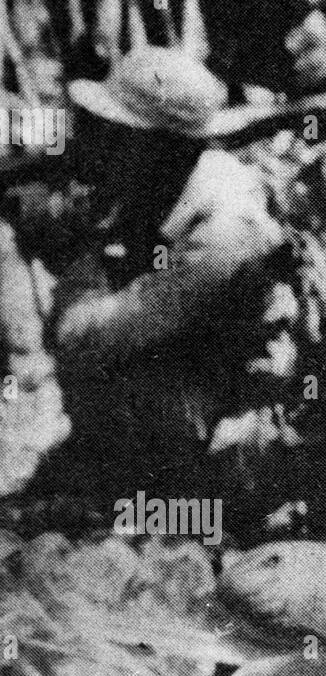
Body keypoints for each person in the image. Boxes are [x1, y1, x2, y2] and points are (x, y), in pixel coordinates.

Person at [26, 47, 284, 535]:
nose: (100, 145)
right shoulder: (169, 180)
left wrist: (79, 262)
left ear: (158, 146)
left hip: (240, 433)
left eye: (116, 133)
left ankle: (175, 510)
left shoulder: (223, 230)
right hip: (207, 390)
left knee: (117, 381)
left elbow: (86, 338)